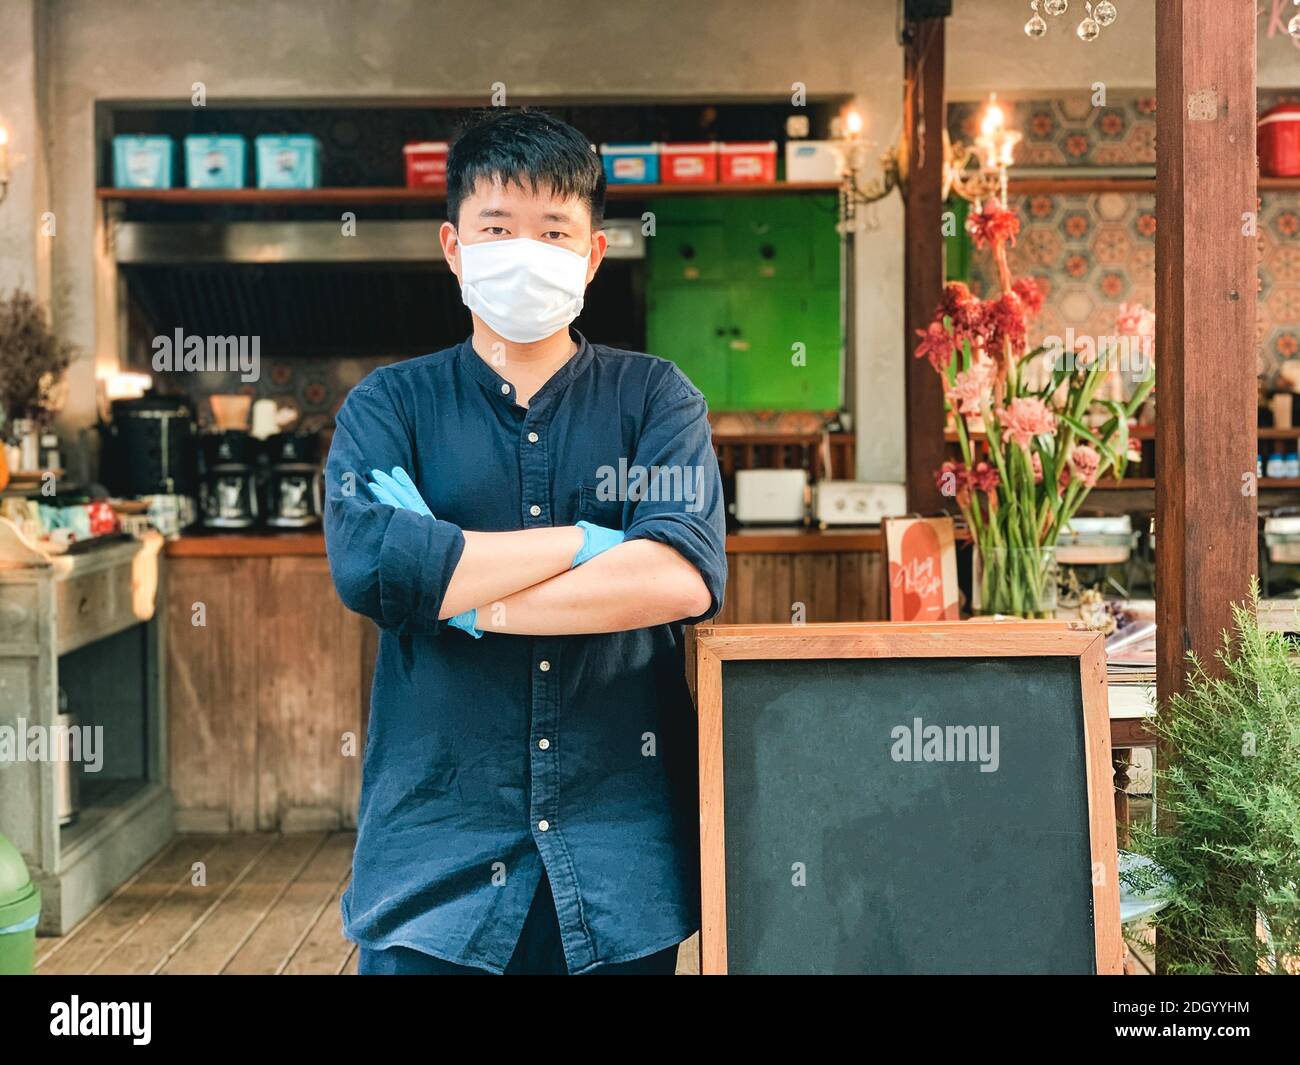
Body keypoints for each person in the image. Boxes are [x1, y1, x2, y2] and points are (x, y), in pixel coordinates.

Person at [323, 108, 727, 975]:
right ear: (453, 246)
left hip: (618, 862)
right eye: (497, 228)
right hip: (434, 866)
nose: (523, 250)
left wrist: (461, 600)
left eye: (553, 230)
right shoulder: (389, 407)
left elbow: (679, 574)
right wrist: (589, 540)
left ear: (591, 255)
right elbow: (372, 567)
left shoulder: (656, 399)